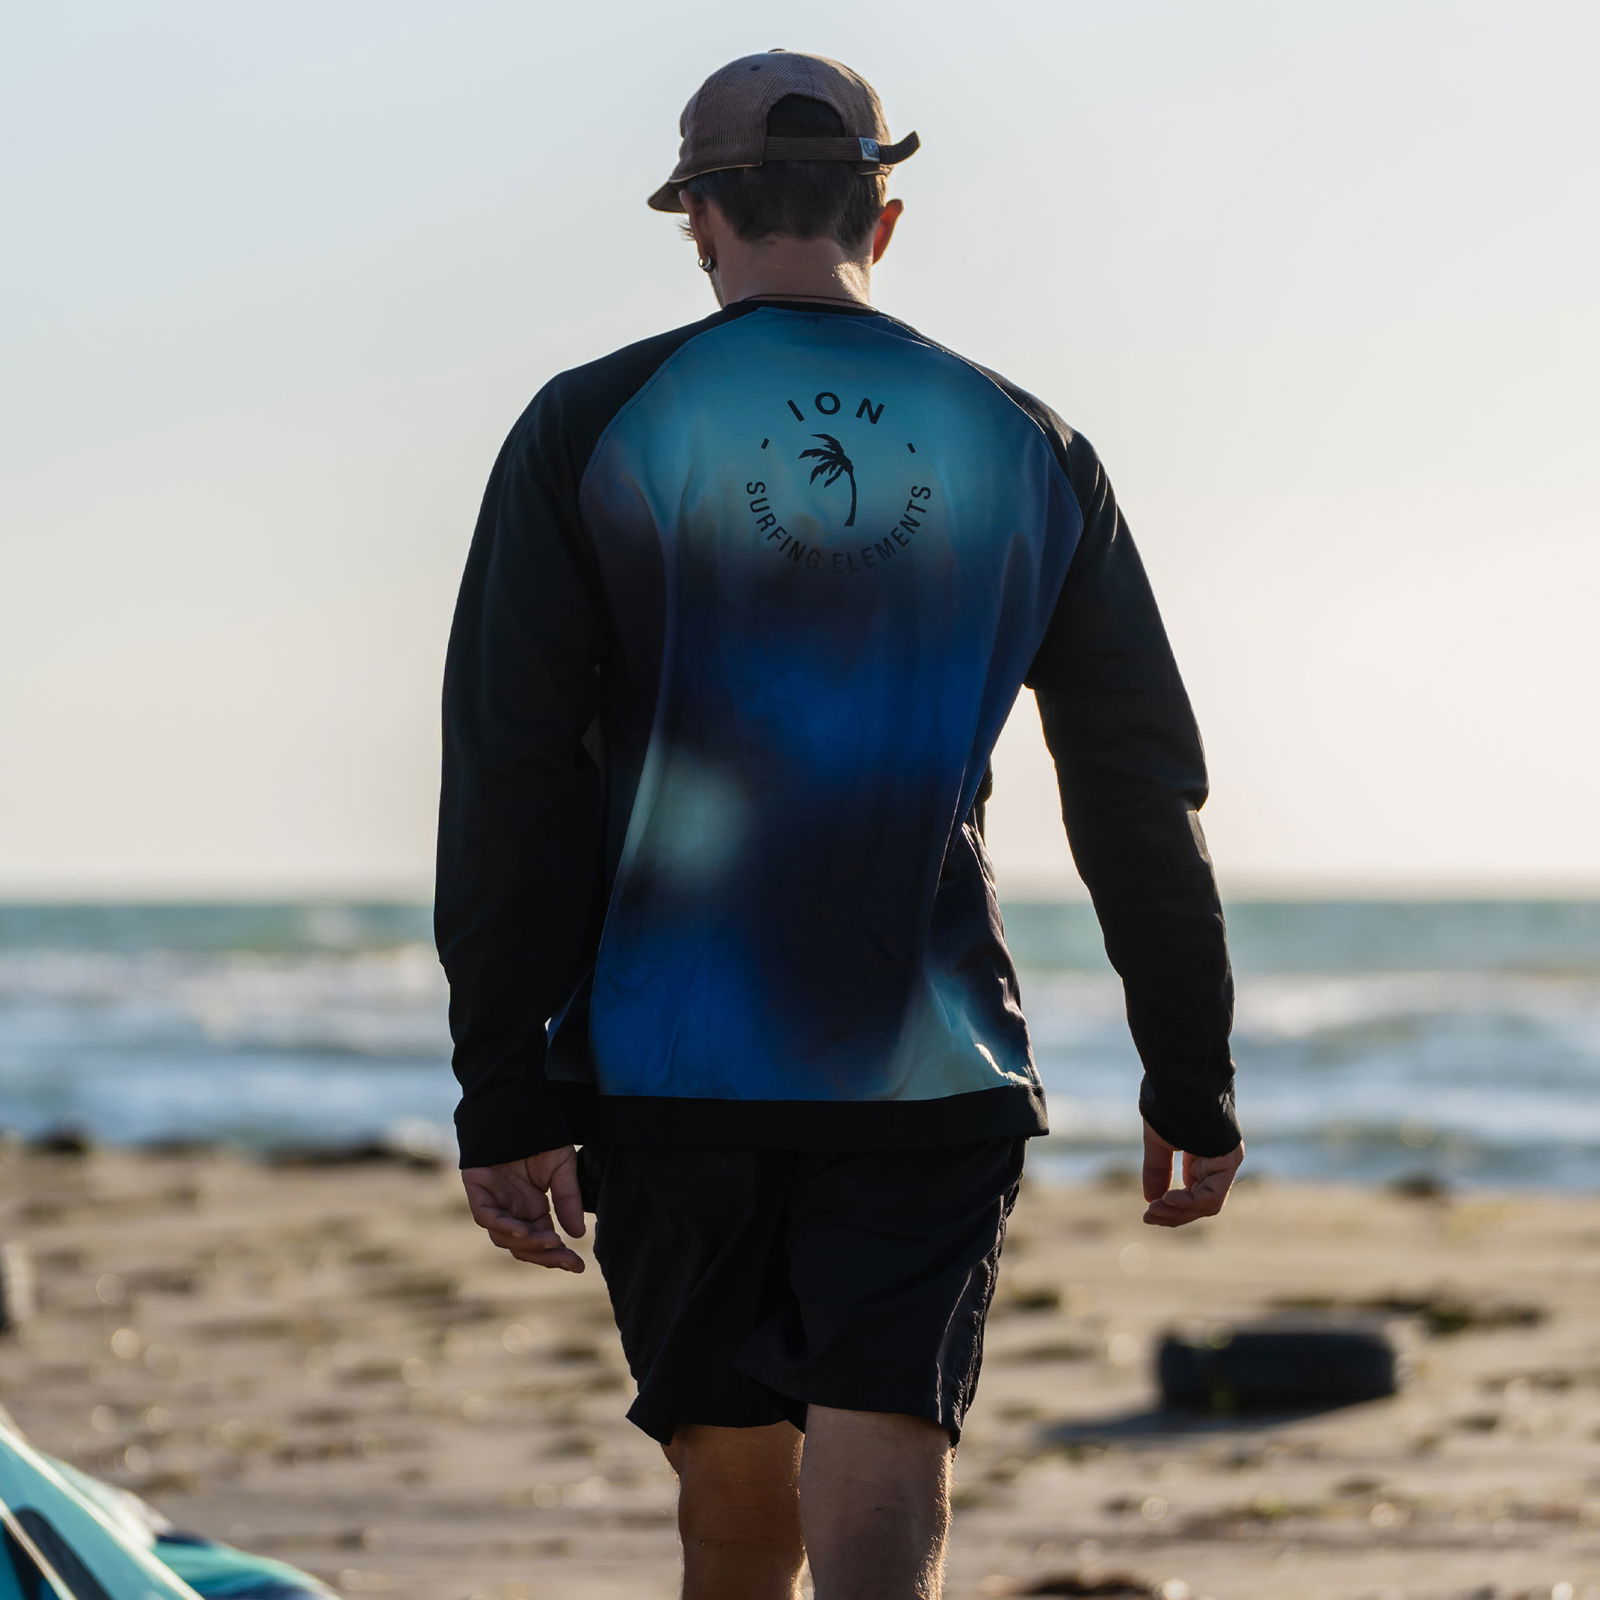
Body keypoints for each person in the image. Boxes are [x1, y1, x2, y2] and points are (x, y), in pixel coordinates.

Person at [433, 46, 1245, 1600]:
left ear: (700, 220)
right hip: (927, 1051)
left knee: (734, 1496)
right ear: (884, 217)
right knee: (889, 1442)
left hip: (669, 1056)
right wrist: (1188, 1069)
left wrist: (501, 1083)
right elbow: (1136, 782)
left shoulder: (594, 425)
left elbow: (509, 772)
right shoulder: (1029, 444)